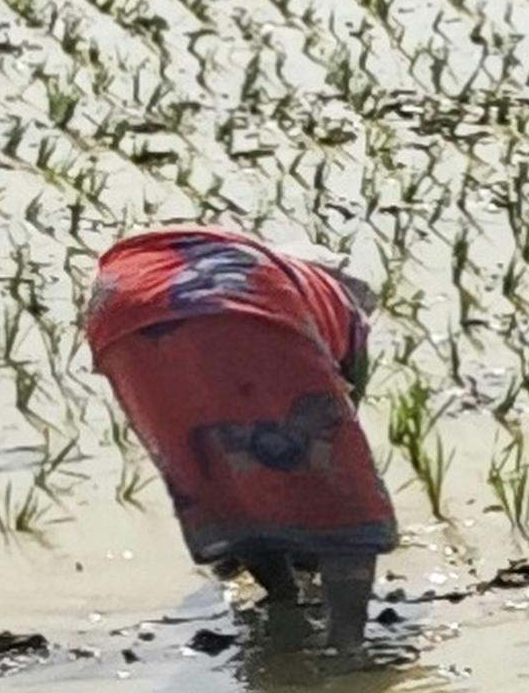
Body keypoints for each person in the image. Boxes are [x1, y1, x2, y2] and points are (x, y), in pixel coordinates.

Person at [82, 226, 394, 654]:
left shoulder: (282, 276)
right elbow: (337, 421)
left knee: (219, 467)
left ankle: (282, 598)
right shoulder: (339, 307)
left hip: (123, 305)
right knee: (340, 494)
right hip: (245, 301)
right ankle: (348, 646)